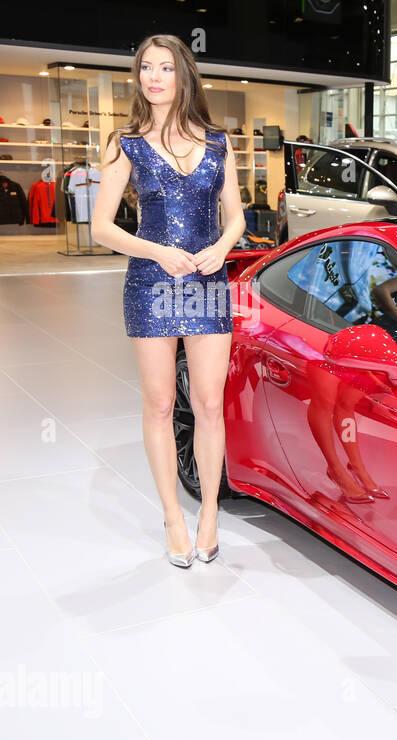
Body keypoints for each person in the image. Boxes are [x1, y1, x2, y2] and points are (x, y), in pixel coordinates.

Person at [89, 34, 245, 567]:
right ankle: (173, 516)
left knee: (207, 403)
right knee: (158, 404)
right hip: (151, 287)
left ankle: (208, 514)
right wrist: (158, 251)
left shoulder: (219, 142)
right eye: (145, 68)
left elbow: (237, 217)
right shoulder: (124, 143)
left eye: (164, 67)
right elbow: (101, 226)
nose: (153, 77)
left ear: (184, 75)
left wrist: (222, 249)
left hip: (208, 285)